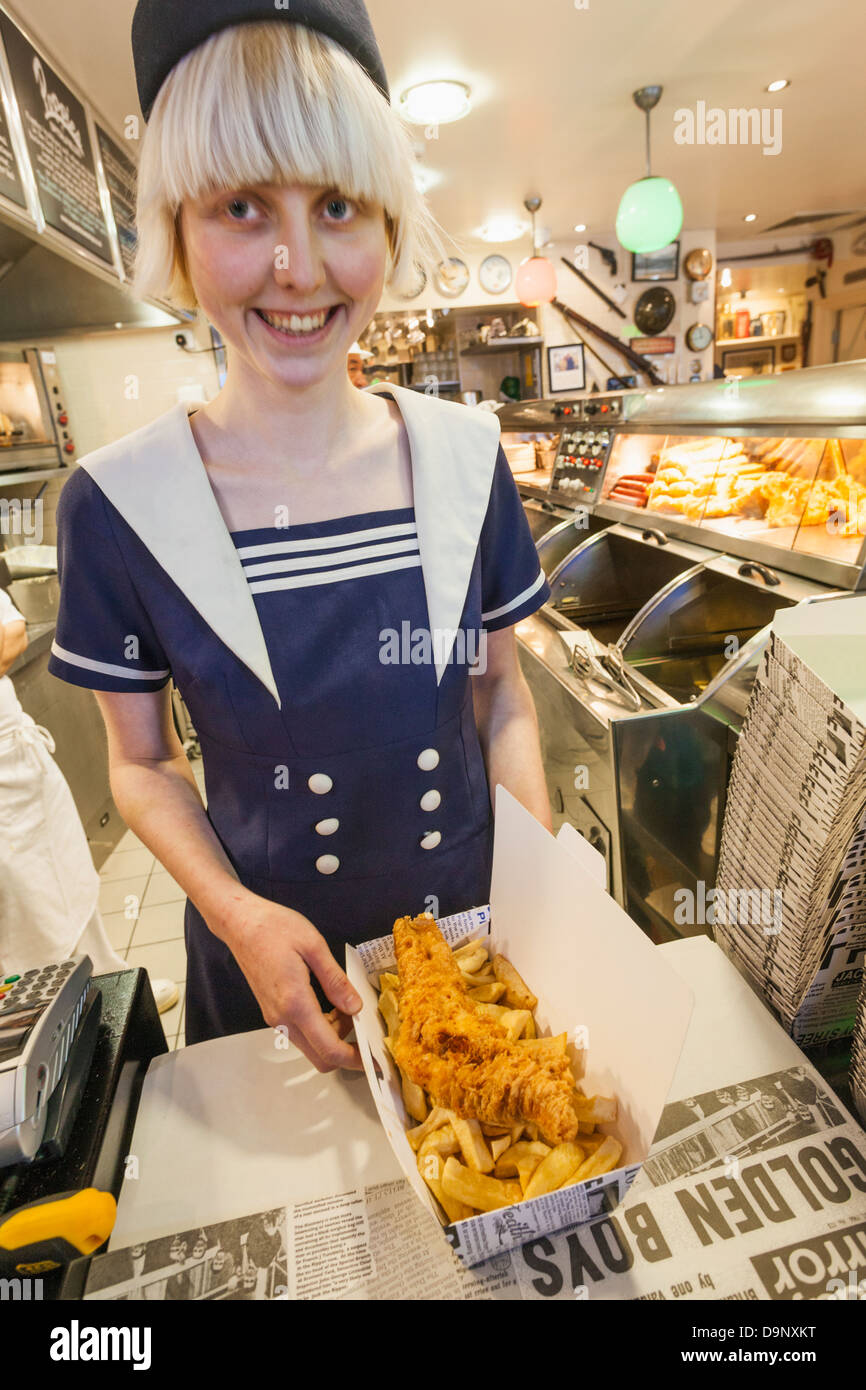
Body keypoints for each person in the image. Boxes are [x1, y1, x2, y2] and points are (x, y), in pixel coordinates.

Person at [48, 0, 552, 1060]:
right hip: (272, 965)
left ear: (386, 226)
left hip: (468, 929)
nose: (296, 265)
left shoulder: (465, 456)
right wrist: (236, 917)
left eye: (335, 206)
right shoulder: (117, 504)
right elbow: (139, 764)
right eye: (240, 206)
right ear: (176, 232)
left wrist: (539, 881)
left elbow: (499, 692)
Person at [0, 584, 177, 1008]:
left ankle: (109, 986)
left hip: (14, 762)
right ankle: (46, 1014)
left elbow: (12, 633)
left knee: (66, 882)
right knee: (23, 912)